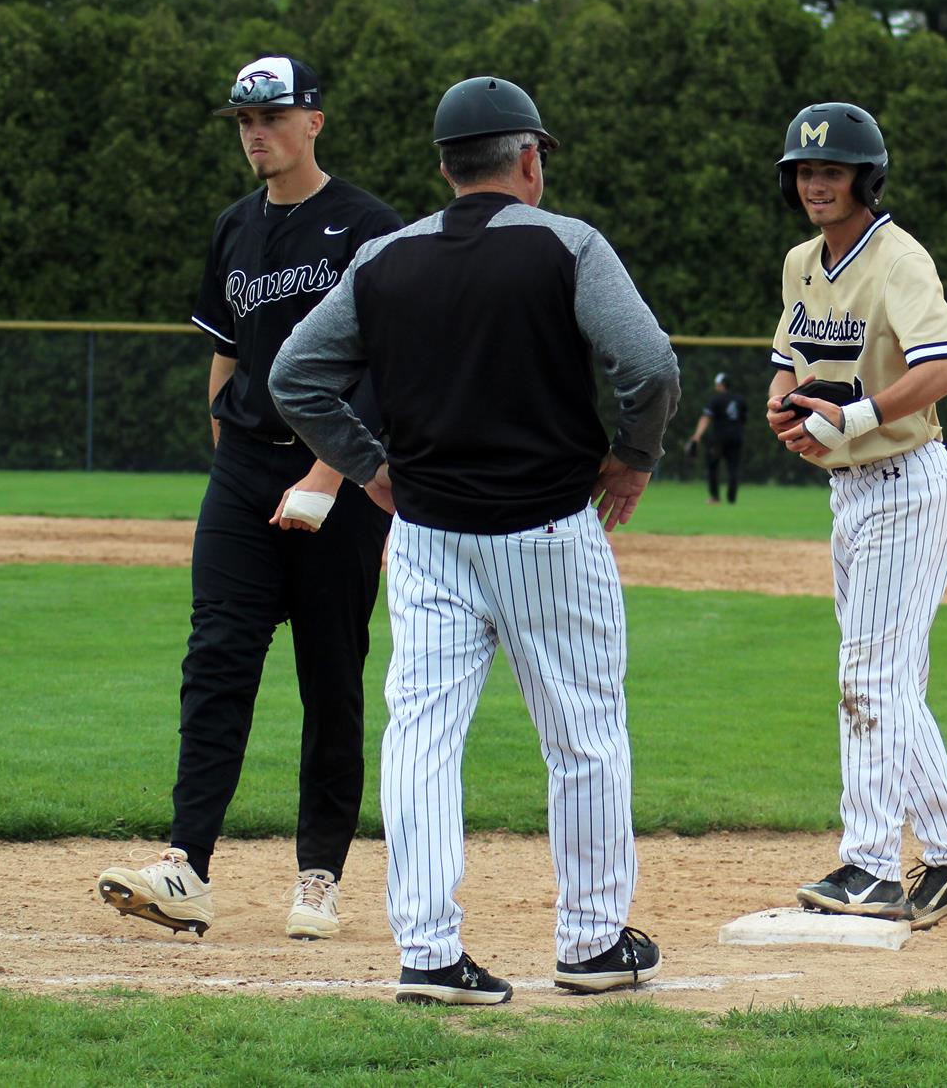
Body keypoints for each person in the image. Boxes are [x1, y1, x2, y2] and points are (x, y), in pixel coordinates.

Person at [270, 76, 680, 1005]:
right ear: (528, 158)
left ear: (446, 166)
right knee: (583, 735)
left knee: (421, 739)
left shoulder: (384, 257)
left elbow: (296, 376)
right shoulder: (568, 243)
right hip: (547, 531)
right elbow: (649, 362)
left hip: (424, 534)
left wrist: (368, 464)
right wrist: (633, 456)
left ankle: (427, 951)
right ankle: (589, 941)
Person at [97, 56, 402, 942]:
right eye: (243, 120)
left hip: (336, 478)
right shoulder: (233, 228)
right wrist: (232, 449)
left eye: (270, 116)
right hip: (243, 474)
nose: (254, 133)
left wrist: (328, 471)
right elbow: (225, 357)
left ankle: (319, 874)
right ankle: (185, 863)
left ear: (315, 121)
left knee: (329, 675)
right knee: (218, 660)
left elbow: (384, 369)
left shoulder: (366, 228)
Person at [766, 102, 947, 930]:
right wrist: (784, 410)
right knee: (889, 680)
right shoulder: (802, 261)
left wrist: (857, 416)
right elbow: (786, 360)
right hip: (851, 491)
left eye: (831, 171)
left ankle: (869, 867)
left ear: (865, 179)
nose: (815, 184)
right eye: (804, 170)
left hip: (907, 481)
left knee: (869, 676)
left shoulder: (899, 258)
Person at [687, 371, 747, 504]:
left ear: (721, 385)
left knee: (713, 467)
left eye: (717, 384)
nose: (716, 387)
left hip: (719, 439)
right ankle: (732, 499)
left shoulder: (716, 400)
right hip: (736, 437)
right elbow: (743, 419)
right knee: (733, 468)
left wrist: (697, 436)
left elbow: (705, 418)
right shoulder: (740, 400)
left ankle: (715, 497)